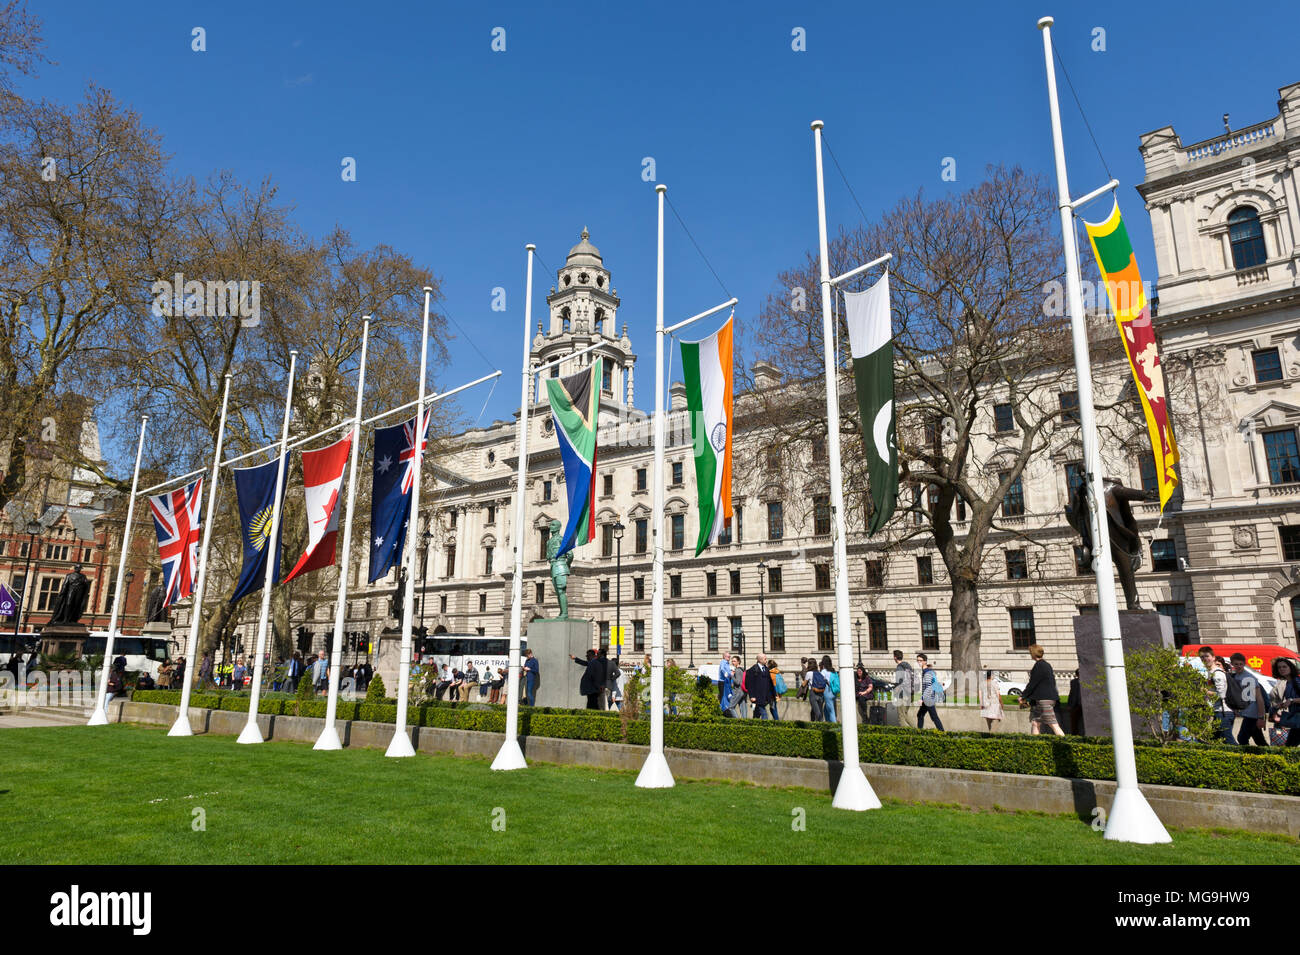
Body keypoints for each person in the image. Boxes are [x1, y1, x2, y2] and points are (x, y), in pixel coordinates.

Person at [1021, 645, 1062, 737]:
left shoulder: (1039, 666)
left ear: (1033, 654)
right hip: (1046, 698)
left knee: (1053, 724)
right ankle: (1035, 744)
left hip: (1044, 700)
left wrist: (1023, 696)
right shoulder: (1047, 665)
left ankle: (1066, 744)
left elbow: (1032, 684)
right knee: (1035, 722)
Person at [1228, 653, 1269, 746]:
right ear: (1232, 664)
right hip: (1249, 713)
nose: (1238, 666)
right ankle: (1269, 756)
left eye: (1241, 664)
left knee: (1242, 738)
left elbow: (1259, 698)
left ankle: (1249, 757)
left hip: (1253, 714)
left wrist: (1261, 717)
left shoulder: (1249, 678)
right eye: (1236, 664)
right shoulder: (1236, 676)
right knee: (1259, 739)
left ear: (1244, 664)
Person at [1196, 646, 1235, 744]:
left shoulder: (1217, 673)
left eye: (1207, 656)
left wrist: (1204, 691)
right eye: (1202, 657)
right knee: (1214, 740)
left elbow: (1221, 695)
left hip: (1224, 712)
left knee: (1228, 741)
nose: (1204, 659)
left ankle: (1244, 757)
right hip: (1218, 711)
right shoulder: (1211, 672)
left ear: (1213, 657)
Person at [1267, 657, 1300, 747]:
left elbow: (1293, 699)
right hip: (1296, 720)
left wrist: (1292, 700)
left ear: (1290, 668)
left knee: (1290, 746)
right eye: (1279, 667)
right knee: (1290, 746)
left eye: (1284, 667)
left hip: (1298, 719)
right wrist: (1282, 704)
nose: (1281, 669)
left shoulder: (1297, 681)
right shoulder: (1288, 683)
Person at [915, 654, 945, 730]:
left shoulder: (927, 672)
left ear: (925, 661)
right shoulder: (927, 671)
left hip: (928, 698)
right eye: (917, 660)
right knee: (920, 715)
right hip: (928, 698)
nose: (919, 662)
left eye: (920, 660)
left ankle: (942, 733)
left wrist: (922, 698)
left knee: (934, 717)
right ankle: (919, 732)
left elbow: (928, 687)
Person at [746, 652, 776, 719]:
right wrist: (752, 696)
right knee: (764, 714)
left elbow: (770, 684)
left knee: (757, 714)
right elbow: (750, 685)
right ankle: (765, 727)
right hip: (757, 696)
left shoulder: (766, 669)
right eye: (765, 659)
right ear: (760, 660)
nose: (766, 660)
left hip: (765, 696)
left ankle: (753, 726)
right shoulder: (753, 670)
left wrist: (772, 695)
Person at [892, 650, 915, 724]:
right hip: (910, 693)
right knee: (905, 714)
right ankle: (917, 731)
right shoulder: (908, 666)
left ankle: (907, 733)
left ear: (895, 657)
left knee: (901, 716)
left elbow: (899, 682)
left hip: (902, 694)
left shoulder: (899, 667)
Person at [820, 656, 839, 723]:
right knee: (826, 709)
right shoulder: (833, 671)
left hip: (827, 691)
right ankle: (828, 723)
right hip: (834, 692)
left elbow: (820, 682)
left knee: (831, 710)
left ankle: (834, 724)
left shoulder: (823, 671)